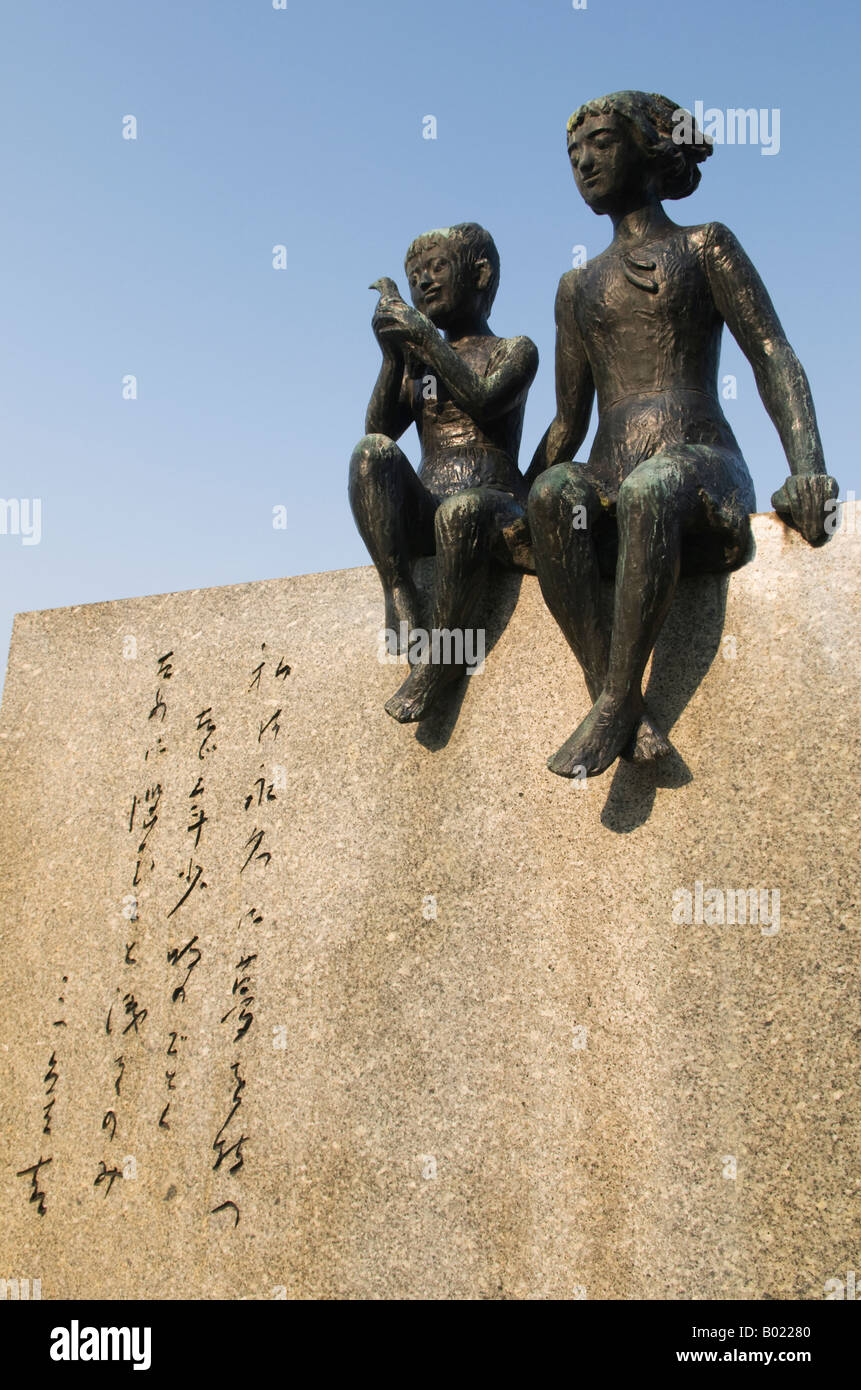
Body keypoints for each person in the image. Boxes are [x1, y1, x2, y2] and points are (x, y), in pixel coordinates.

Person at [526, 90, 838, 777]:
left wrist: (806, 464)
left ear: (651, 149)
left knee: (652, 486)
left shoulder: (705, 245)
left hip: (702, 466)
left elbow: (770, 351)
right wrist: (517, 501)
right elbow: (566, 422)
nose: (583, 162)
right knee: (553, 494)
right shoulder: (574, 286)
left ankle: (612, 702)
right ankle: (616, 702)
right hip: (609, 474)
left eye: (602, 144)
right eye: (573, 153)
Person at [349, 223, 538, 722]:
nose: (424, 283)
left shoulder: (515, 349)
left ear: (480, 275)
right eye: (415, 277)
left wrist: (424, 339)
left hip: (493, 499)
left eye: (437, 269)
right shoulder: (420, 366)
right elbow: (382, 433)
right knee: (369, 453)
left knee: (462, 511)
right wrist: (394, 356)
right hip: (429, 503)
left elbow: (485, 400)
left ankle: (444, 662)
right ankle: (399, 589)